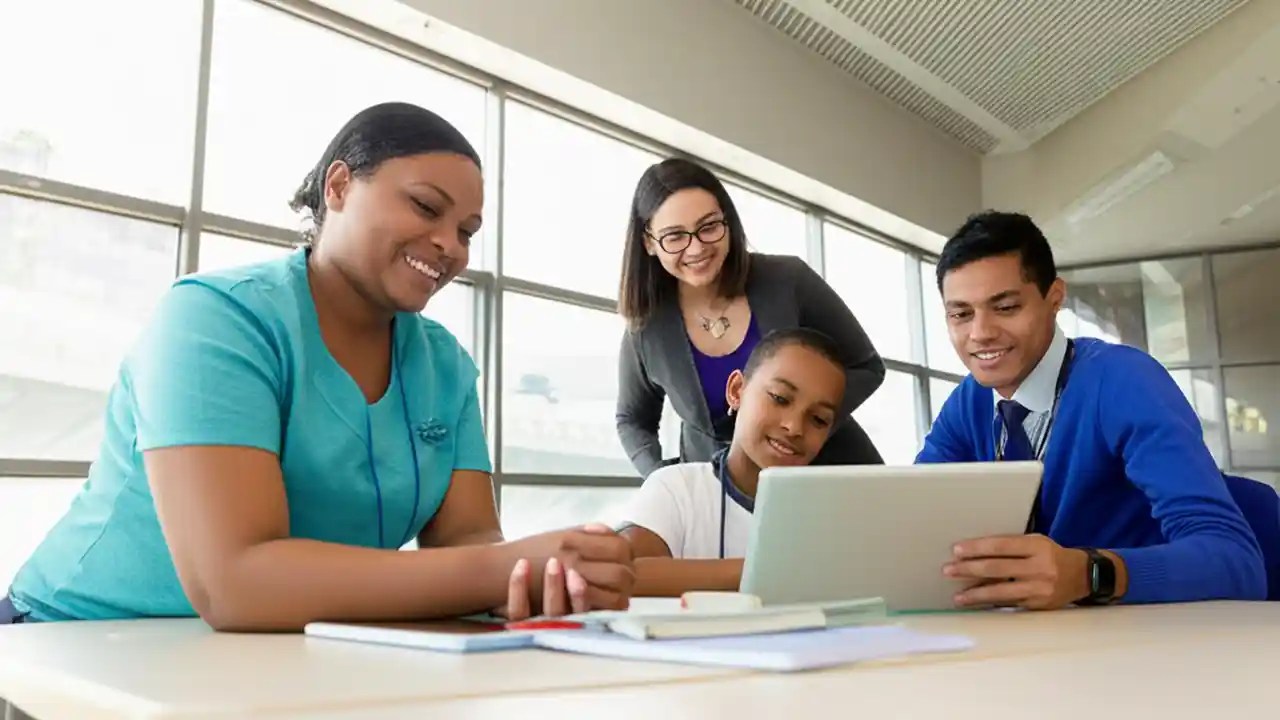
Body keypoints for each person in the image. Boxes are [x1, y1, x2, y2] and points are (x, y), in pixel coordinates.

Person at [1, 102, 634, 629]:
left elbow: (469, 541)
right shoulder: (215, 319)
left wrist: (534, 577)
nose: (450, 245)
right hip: (73, 641)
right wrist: (499, 568)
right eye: (424, 207)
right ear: (337, 187)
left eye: (467, 230)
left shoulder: (446, 365)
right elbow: (236, 583)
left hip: (278, 659)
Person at [918, 211, 1265, 609]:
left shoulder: (1124, 381)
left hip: (1154, 645)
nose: (979, 333)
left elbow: (1236, 561)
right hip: (1042, 645)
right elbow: (916, 526)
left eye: (1006, 307)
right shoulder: (969, 402)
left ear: (1054, 298)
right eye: (961, 314)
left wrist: (1089, 574)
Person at [616, 157, 884, 479]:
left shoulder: (788, 280)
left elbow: (866, 366)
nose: (697, 247)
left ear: (728, 222)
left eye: (709, 226)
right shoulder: (646, 330)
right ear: (649, 242)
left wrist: (809, 421)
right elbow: (632, 419)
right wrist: (662, 478)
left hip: (831, 473)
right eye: (674, 236)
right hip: (721, 497)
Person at [619, 328, 846, 596]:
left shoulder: (833, 519)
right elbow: (624, 573)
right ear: (737, 390)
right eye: (780, 398)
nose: (794, 427)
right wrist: (765, 571)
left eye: (818, 419)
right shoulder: (677, 488)